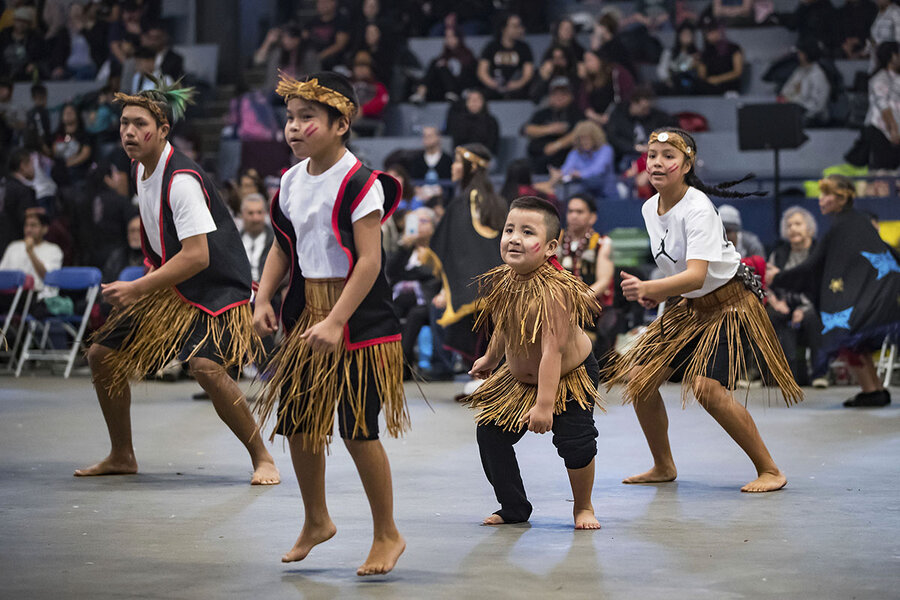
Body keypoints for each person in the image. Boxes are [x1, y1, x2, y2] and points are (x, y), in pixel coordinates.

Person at [74, 79, 279, 487]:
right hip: (174, 286)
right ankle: (122, 454)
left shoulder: (181, 178)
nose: (129, 132)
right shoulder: (139, 169)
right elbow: (166, 247)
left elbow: (198, 255)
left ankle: (263, 457)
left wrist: (136, 288)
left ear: (163, 129)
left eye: (139, 124)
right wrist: (148, 281)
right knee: (101, 354)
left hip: (217, 286)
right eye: (124, 124)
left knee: (206, 367)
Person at [252, 72, 407, 576]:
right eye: (290, 119)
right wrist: (262, 297)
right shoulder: (291, 181)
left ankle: (388, 534)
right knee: (298, 424)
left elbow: (368, 262)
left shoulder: (361, 183)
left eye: (306, 119)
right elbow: (283, 245)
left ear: (341, 124)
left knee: (357, 428)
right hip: (305, 315)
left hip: (358, 318)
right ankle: (316, 519)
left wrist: (338, 321)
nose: (294, 129)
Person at [604, 128, 801, 492]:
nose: (658, 163)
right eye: (652, 156)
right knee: (640, 379)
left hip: (730, 305)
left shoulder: (698, 208)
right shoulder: (650, 207)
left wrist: (649, 287)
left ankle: (770, 469)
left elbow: (696, 275)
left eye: (668, 156)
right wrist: (657, 295)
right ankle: (663, 465)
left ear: (687, 163)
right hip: (688, 306)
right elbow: (676, 272)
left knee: (707, 389)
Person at [465, 196, 603, 528]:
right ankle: (513, 506)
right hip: (520, 378)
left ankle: (582, 507)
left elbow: (551, 351)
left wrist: (544, 405)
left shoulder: (555, 291)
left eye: (528, 232)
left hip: (568, 375)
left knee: (576, 442)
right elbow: (505, 325)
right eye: (509, 229)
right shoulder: (506, 278)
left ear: (551, 246)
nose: (514, 238)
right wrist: (490, 357)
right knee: (490, 433)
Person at [771, 175, 900, 407]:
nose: (821, 200)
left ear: (840, 198)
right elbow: (884, 250)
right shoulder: (855, 221)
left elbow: (813, 266)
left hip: (865, 296)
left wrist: (778, 277)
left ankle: (871, 390)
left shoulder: (843, 226)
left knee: (845, 334)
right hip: (869, 295)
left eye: (826, 194)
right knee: (853, 338)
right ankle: (874, 389)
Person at [430, 143, 507, 363]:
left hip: (472, 289)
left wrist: (448, 290)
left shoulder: (461, 204)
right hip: (501, 285)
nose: (453, 167)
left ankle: (477, 381)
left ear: (471, 166)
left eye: (456, 161)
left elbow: (458, 252)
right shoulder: (498, 201)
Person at [766, 206, 828, 388]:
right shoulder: (779, 253)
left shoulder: (819, 253)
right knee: (768, 315)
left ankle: (820, 373)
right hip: (783, 303)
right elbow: (766, 283)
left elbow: (822, 288)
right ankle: (773, 374)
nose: (792, 228)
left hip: (812, 306)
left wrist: (803, 308)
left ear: (809, 228)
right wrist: (775, 303)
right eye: (789, 225)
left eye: (798, 224)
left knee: (811, 317)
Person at [557, 194, 618, 365]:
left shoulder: (602, 243)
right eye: (570, 211)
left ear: (592, 217)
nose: (573, 216)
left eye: (579, 211)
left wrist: (577, 300)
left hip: (592, 309)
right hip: (558, 305)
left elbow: (604, 281)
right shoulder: (556, 241)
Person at [386, 207, 442, 378]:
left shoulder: (438, 248)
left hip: (427, 299)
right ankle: (388, 362)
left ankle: (401, 364)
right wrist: (404, 246)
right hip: (401, 298)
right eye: (414, 221)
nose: (418, 225)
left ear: (433, 226)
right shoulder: (406, 249)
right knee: (388, 311)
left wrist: (410, 274)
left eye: (423, 221)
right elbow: (391, 272)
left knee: (416, 314)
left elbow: (433, 275)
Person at [75, 157, 136, 269]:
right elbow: (133, 223)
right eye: (115, 173)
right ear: (107, 179)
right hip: (117, 260)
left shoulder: (81, 202)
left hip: (87, 259)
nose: (118, 177)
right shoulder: (120, 201)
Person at [606, 86, 677, 169]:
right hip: (626, 154)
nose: (647, 111)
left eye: (648, 108)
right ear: (634, 103)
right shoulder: (619, 115)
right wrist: (635, 148)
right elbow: (614, 138)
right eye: (643, 108)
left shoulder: (655, 116)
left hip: (650, 154)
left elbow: (673, 126)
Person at [523, 77, 583, 174]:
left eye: (563, 94)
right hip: (541, 155)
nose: (559, 97)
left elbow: (581, 131)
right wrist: (550, 129)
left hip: (564, 154)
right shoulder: (542, 113)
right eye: (555, 94)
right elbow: (526, 129)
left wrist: (557, 145)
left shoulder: (576, 113)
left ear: (571, 96)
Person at [0, 212, 63, 302]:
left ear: (44, 229)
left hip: (38, 296)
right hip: (10, 294)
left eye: (33, 226)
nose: (29, 229)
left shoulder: (54, 250)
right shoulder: (14, 246)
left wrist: (30, 252)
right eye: (26, 225)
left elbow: (48, 278)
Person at [411, 26, 478, 103]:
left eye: (451, 36)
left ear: (458, 38)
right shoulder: (443, 57)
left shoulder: (468, 56)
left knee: (439, 64)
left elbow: (469, 79)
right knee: (436, 63)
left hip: (461, 90)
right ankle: (421, 92)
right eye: (446, 37)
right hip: (443, 92)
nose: (448, 40)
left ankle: (452, 92)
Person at [477, 13, 534, 100]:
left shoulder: (524, 48)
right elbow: (482, 71)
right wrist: (492, 83)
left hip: (517, 88)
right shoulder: (492, 46)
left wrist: (517, 84)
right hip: (494, 87)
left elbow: (528, 73)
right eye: (515, 26)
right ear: (504, 29)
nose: (518, 30)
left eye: (519, 26)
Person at [558, 120, 619, 202]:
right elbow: (566, 168)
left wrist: (580, 174)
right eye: (581, 139)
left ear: (595, 138)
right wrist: (560, 173)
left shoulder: (606, 150)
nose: (584, 142)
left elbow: (598, 169)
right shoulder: (575, 153)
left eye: (587, 138)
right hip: (586, 196)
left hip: (607, 195)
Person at [864, 42, 900, 170]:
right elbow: (884, 107)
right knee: (883, 172)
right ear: (892, 56)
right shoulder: (879, 79)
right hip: (882, 132)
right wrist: (893, 130)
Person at [779, 40, 832, 124]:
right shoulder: (799, 71)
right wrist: (786, 100)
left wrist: (796, 103)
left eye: (800, 53)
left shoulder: (818, 75)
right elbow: (785, 90)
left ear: (807, 54)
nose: (798, 56)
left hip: (811, 117)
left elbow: (818, 105)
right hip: (793, 111)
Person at [579, 49, 635, 125]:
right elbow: (584, 103)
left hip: (618, 118)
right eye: (585, 61)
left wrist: (610, 115)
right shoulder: (587, 80)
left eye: (589, 60)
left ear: (600, 60)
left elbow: (625, 96)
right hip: (594, 120)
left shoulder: (616, 73)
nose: (587, 64)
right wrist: (594, 116)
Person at [1, 148, 38, 257]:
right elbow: (27, 221)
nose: (33, 168)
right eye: (31, 164)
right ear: (23, 165)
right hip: (14, 247)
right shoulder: (24, 191)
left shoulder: (3, 187)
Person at [696, 19, 745, 95]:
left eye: (713, 31)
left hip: (729, 84)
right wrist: (698, 63)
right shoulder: (705, 53)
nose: (710, 35)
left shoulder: (734, 48)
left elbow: (738, 72)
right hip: (710, 86)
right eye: (707, 32)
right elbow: (702, 75)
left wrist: (718, 79)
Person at [445, 89, 500, 154]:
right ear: (466, 103)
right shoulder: (458, 120)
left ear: (483, 102)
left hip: (484, 156)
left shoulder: (491, 121)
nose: (474, 102)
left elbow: (492, 144)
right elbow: (456, 143)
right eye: (471, 100)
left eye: (477, 99)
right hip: (463, 155)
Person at [49, 103, 93, 185]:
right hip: (59, 171)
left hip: (79, 170)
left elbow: (85, 153)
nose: (68, 115)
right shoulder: (56, 135)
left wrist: (71, 163)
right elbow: (54, 152)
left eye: (71, 112)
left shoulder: (85, 135)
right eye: (66, 113)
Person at [302, 0, 352, 71]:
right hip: (311, 56)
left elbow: (340, 45)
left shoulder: (341, 21)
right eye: (319, 2)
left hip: (333, 59)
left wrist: (320, 56)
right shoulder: (311, 22)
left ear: (334, 3)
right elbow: (303, 39)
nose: (322, 5)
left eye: (325, 2)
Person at [656, 22, 701, 96]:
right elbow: (664, 69)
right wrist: (667, 80)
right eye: (684, 34)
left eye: (689, 34)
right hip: (674, 82)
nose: (687, 37)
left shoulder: (697, 54)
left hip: (692, 82)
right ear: (678, 36)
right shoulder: (669, 52)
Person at [239, 193, 273, 284]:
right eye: (250, 213)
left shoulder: (276, 241)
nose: (256, 218)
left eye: (259, 212)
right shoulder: (234, 241)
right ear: (242, 215)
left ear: (265, 214)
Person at [0, 6, 41, 81]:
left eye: (24, 21)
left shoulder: (35, 38)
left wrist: (34, 64)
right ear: (14, 20)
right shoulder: (4, 35)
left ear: (29, 24)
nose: (21, 24)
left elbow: (39, 57)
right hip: (4, 69)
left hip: (24, 72)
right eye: (19, 20)